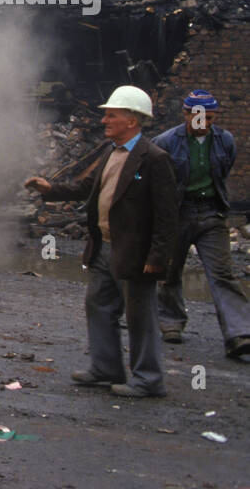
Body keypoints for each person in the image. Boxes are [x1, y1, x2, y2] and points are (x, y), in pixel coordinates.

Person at [24, 85, 178, 397]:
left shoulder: (154, 159)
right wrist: (49, 189)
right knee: (99, 306)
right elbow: (86, 187)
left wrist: (157, 257)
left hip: (134, 253)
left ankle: (148, 379)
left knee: (140, 317)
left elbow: (167, 215)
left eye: (111, 115)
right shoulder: (112, 153)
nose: (104, 120)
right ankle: (105, 368)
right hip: (104, 247)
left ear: (132, 121)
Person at [151, 89, 250, 358]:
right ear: (185, 115)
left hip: (210, 213)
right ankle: (171, 322)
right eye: (199, 118)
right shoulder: (166, 142)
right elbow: (150, 176)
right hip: (177, 214)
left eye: (210, 118)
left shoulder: (224, 140)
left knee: (222, 274)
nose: (204, 124)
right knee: (169, 271)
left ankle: (238, 334)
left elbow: (224, 170)